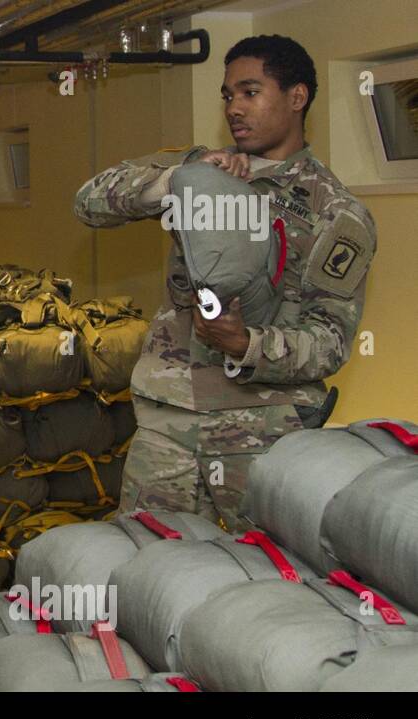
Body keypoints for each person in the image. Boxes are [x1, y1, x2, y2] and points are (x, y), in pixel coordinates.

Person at [74, 34, 378, 527]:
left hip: (258, 429)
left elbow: (331, 342)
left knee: (257, 577)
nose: (234, 107)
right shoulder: (201, 172)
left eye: (250, 92)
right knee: (147, 569)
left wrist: (247, 344)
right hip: (169, 417)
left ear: (296, 97)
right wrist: (177, 179)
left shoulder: (335, 213)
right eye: (227, 95)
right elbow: (89, 202)